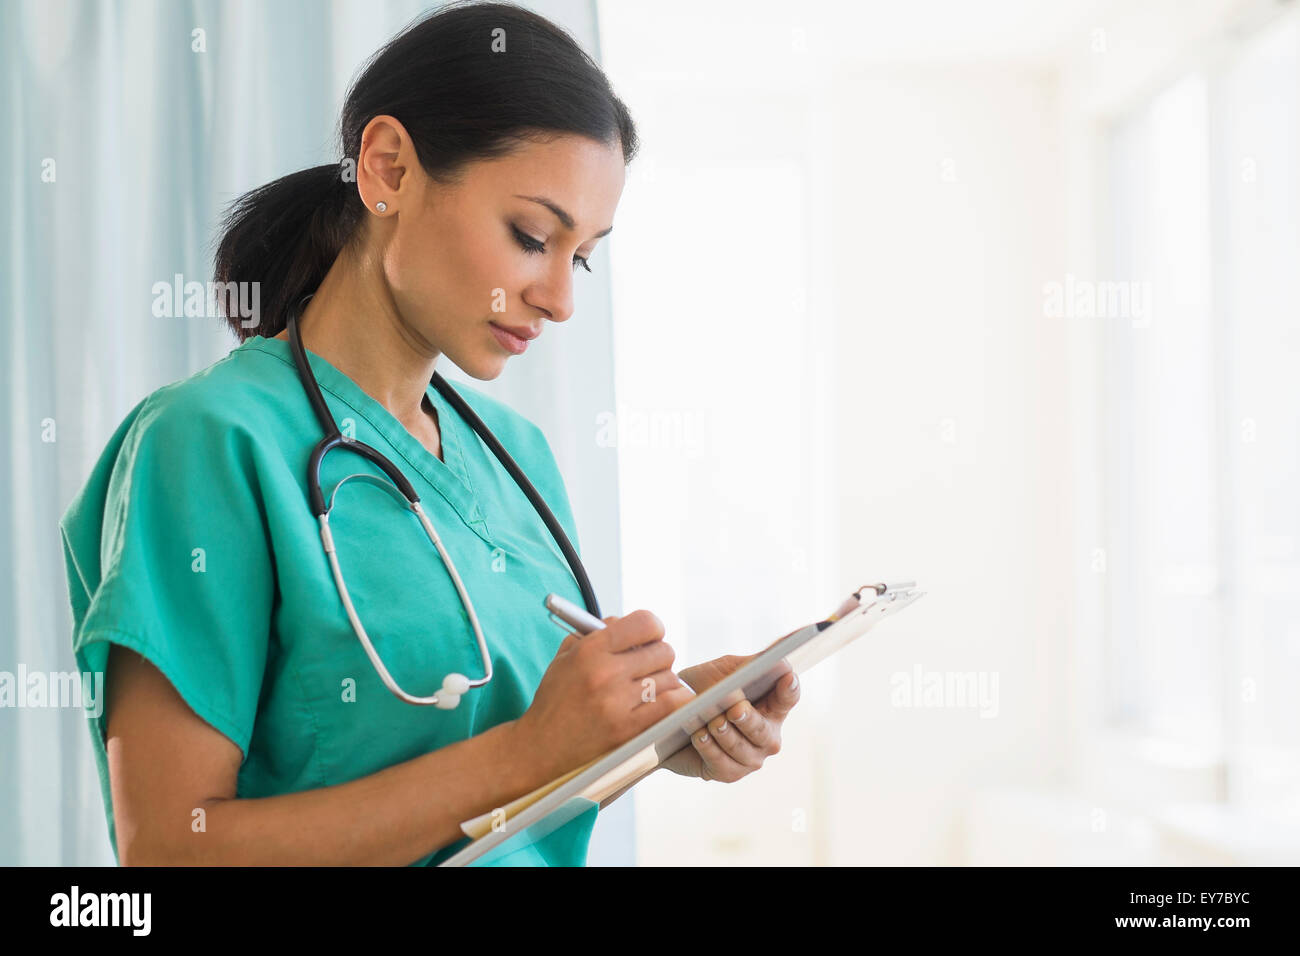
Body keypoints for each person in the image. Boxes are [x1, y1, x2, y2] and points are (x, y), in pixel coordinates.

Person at [58, 0, 801, 867]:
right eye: (532, 236)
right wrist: (528, 753)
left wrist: (648, 729)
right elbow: (170, 851)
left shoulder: (515, 458)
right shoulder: (210, 443)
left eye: (583, 256)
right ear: (390, 170)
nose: (560, 299)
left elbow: (515, 798)